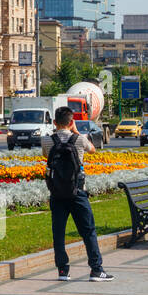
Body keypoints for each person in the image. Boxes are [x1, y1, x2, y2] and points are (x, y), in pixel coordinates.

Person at [42, 105, 114, 282]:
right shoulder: (79, 140)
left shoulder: (46, 141)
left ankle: (63, 271)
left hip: (57, 193)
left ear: (54, 123)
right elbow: (93, 149)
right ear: (71, 121)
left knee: (58, 232)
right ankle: (96, 270)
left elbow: (46, 156)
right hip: (78, 192)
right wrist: (76, 131)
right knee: (88, 230)